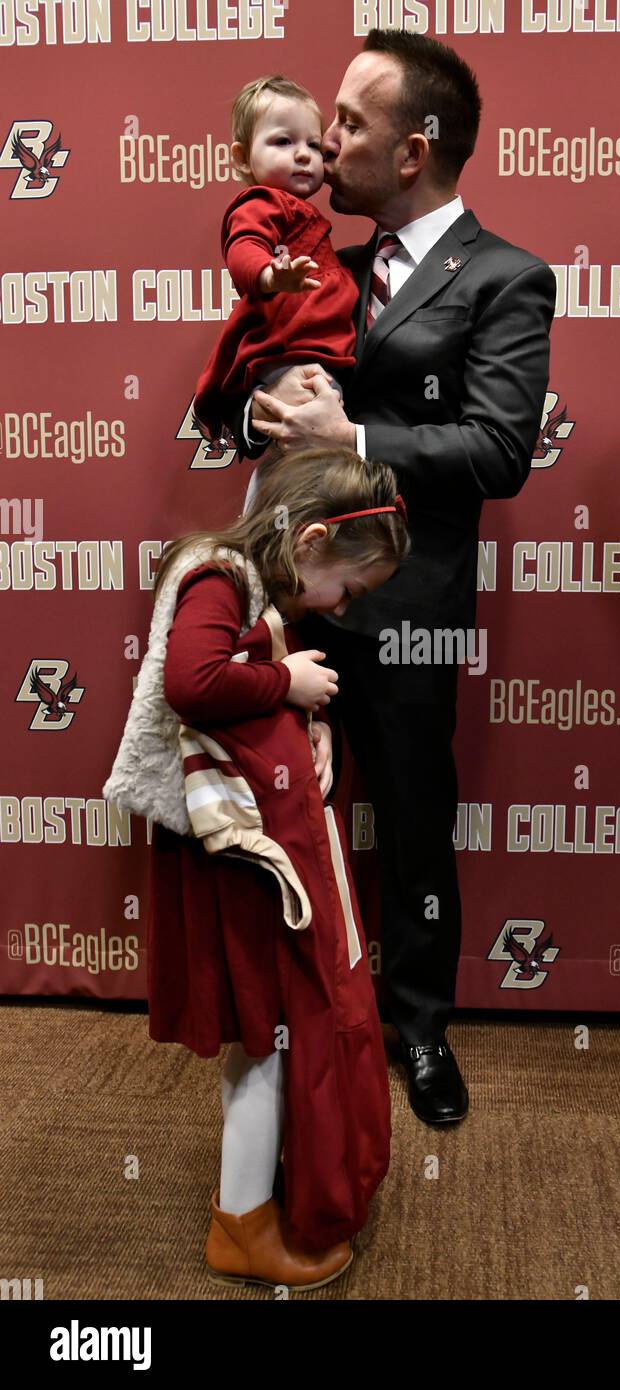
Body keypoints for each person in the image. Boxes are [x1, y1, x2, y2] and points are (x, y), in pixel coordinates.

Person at [235, 30, 557, 1125]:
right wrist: (255, 413)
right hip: (292, 599)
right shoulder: (312, 259)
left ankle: (419, 1031)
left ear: (413, 149)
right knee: (283, 810)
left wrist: (357, 436)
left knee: (415, 823)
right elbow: (241, 384)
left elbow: (498, 452)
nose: (326, 140)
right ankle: (294, 1019)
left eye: (351, 122)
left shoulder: (507, 277)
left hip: (411, 612)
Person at [103, 447, 409, 1288]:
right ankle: (240, 1226)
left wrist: (306, 719)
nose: (343, 607)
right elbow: (194, 682)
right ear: (309, 541)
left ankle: (255, 1194)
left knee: (266, 1031)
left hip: (247, 859)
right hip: (227, 865)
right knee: (264, 1035)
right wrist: (285, 684)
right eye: (349, 588)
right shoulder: (218, 578)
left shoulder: (253, 589)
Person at [192, 74, 358, 449]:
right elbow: (243, 247)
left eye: (313, 144)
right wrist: (269, 275)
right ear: (242, 157)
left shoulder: (297, 211)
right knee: (314, 447)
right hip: (290, 350)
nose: (303, 154)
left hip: (314, 352)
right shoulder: (262, 202)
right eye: (283, 141)